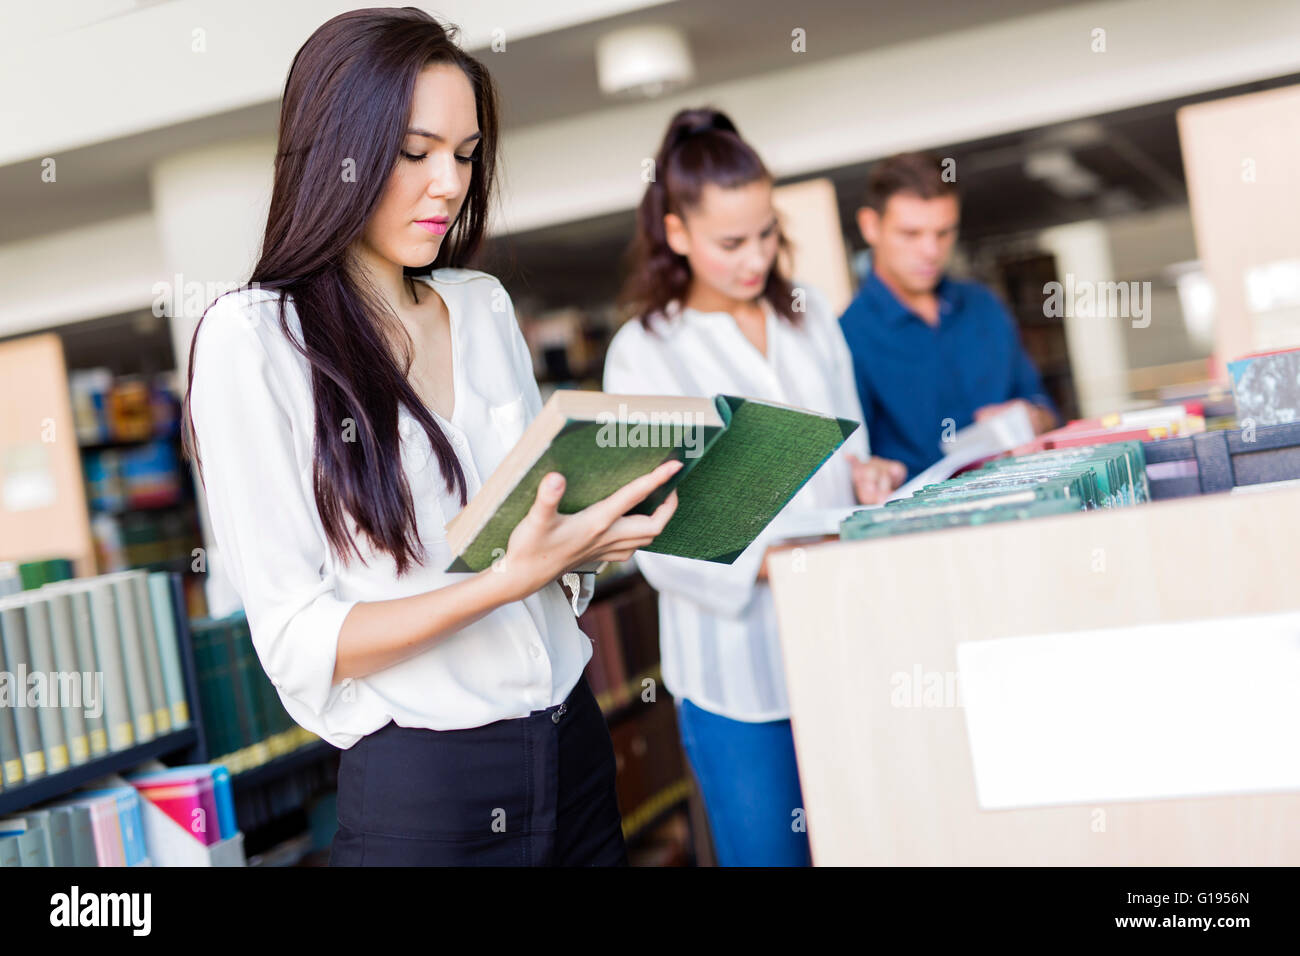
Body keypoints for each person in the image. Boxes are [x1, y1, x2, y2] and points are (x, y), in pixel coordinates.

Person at [182, 8, 681, 866]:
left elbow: (528, 526)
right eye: (416, 153)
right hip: (428, 788)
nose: (448, 184)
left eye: (465, 153)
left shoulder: (481, 305)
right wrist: (505, 580)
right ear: (338, 149)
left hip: (572, 743)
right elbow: (302, 639)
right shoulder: (254, 340)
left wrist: (581, 545)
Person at [602, 107, 880, 867]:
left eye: (765, 232)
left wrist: (869, 476)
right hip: (734, 674)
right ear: (677, 232)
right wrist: (772, 560)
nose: (754, 257)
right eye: (731, 242)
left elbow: (855, 451)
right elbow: (649, 533)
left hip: (844, 639)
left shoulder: (809, 315)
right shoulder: (645, 352)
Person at [839, 151, 1058, 486]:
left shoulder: (985, 307)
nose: (931, 251)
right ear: (871, 226)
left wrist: (1033, 418)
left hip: (1021, 503)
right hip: (919, 528)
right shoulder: (845, 337)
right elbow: (852, 464)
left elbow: (1043, 406)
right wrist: (870, 476)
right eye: (911, 234)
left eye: (943, 233)